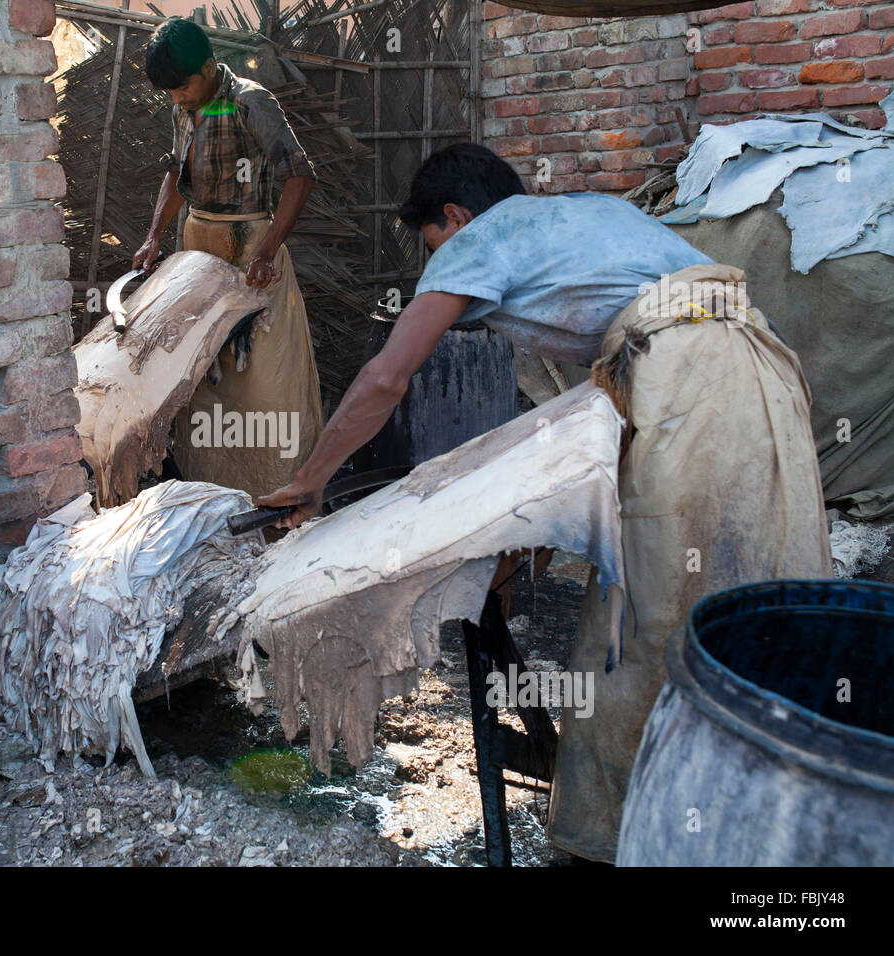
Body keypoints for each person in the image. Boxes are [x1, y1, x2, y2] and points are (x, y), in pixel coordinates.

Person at [258, 143, 832, 862]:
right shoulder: (589, 219)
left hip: (699, 390)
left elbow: (385, 378)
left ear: (456, 216)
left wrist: (312, 479)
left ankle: (638, 840)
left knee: (654, 625)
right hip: (763, 374)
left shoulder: (483, 238)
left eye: (433, 244)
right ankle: (775, 832)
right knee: (761, 604)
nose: (436, 266)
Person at [135, 17, 324, 500]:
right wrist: (155, 235)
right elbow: (176, 175)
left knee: (263, 387)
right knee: (202, 379)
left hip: (252, 258)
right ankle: (210, 502)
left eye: (182, 87)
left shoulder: (251, 102)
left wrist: (265, 250)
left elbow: (300, 177)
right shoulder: (185, 109)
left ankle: (277, 502)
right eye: (170, 92)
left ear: (208, 66)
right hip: (198, 253)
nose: (177, 98)